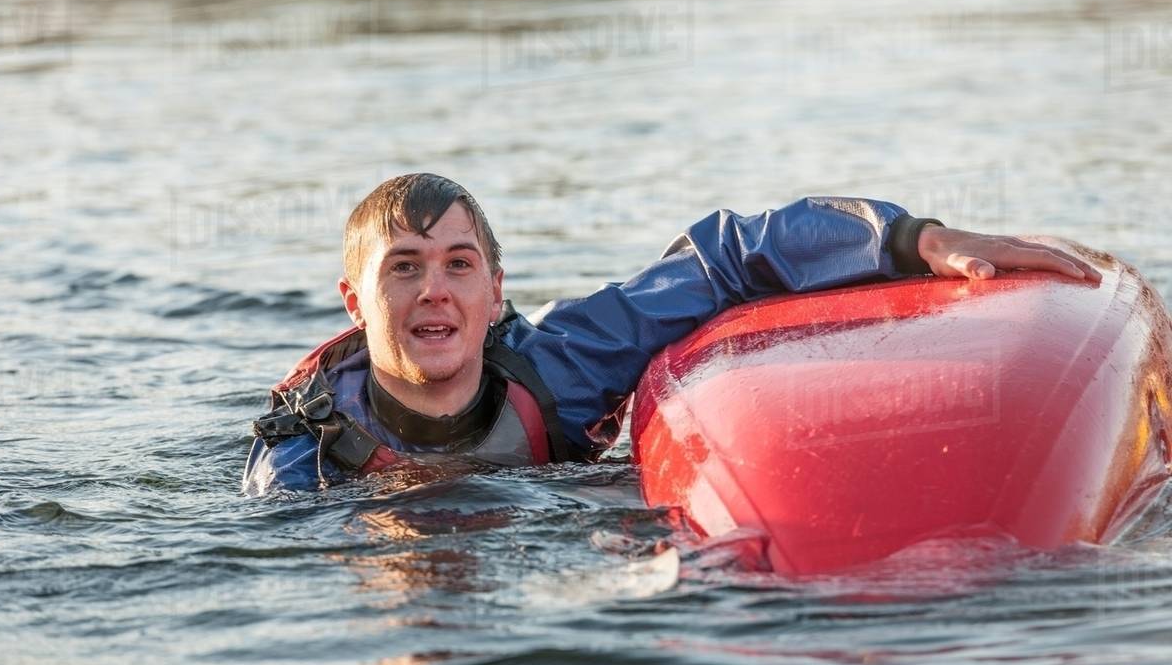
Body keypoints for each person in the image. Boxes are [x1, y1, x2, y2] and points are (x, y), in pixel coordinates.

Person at [242, 173, 1100, 496]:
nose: (435, 291)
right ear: (355, 301)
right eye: (404, 268)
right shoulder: (306, 460)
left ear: (496, 290)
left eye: (459, 264)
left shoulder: (561, 368)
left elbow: (728, 258)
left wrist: (919, 241)